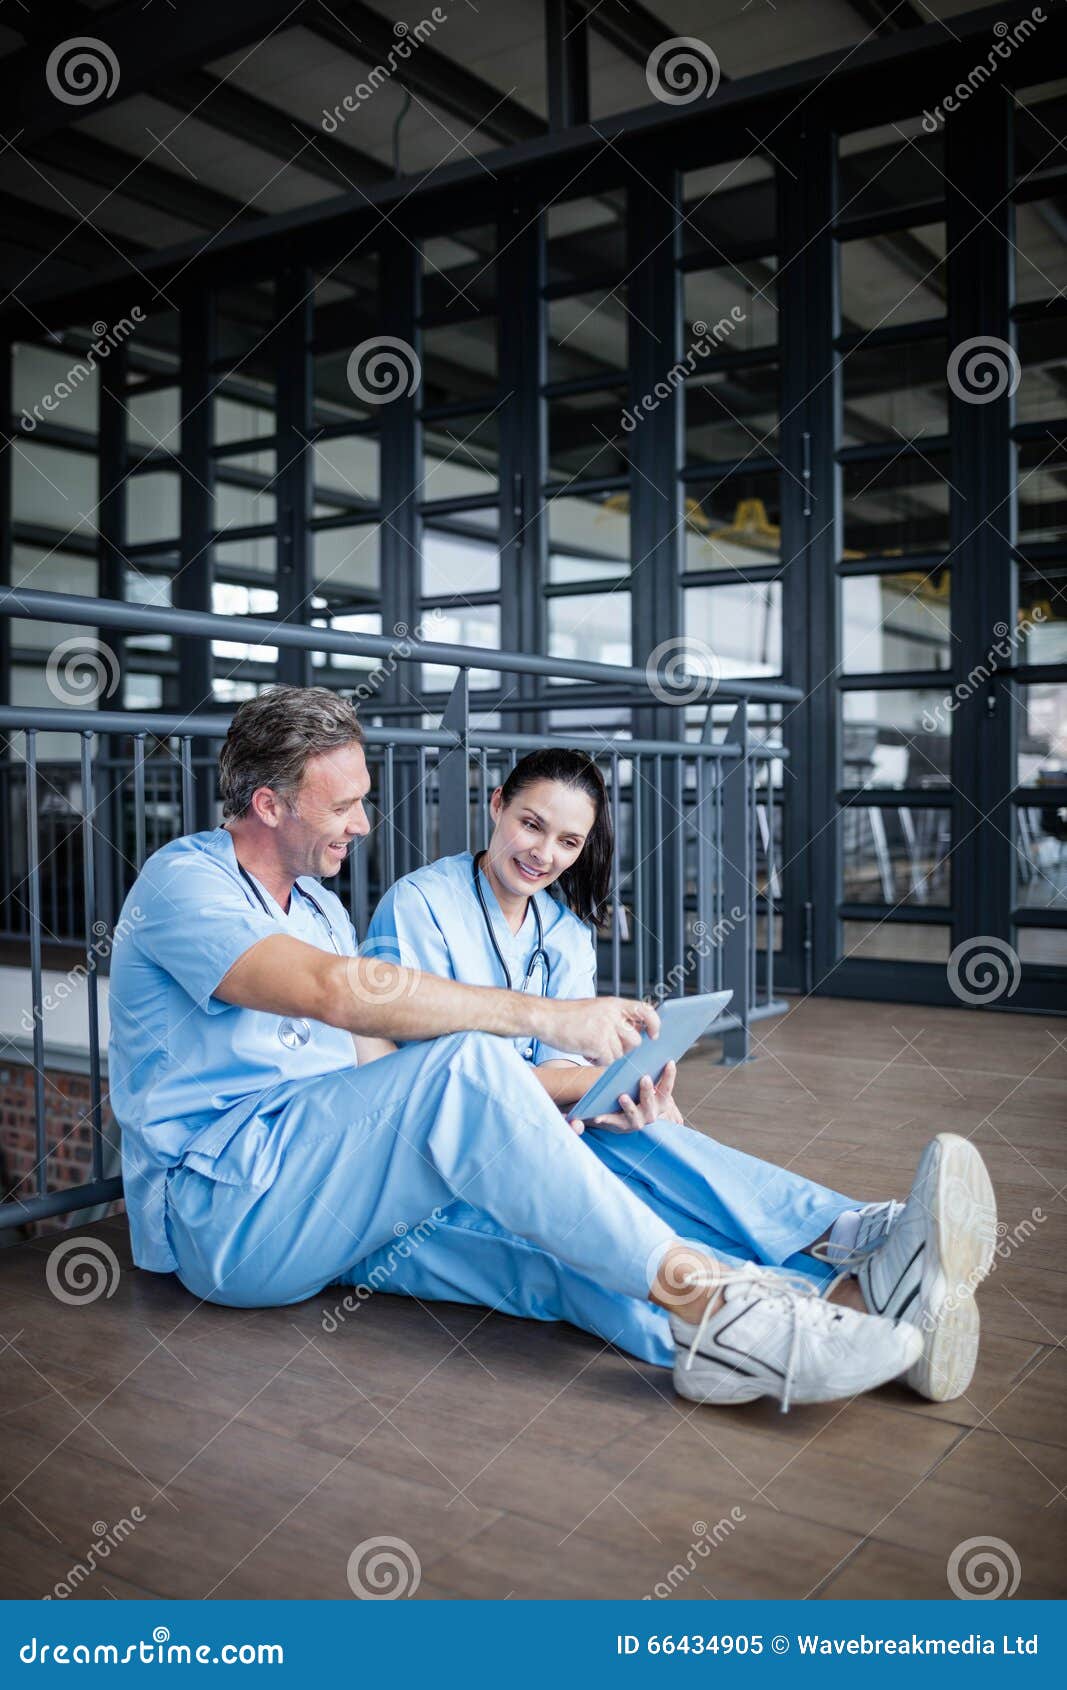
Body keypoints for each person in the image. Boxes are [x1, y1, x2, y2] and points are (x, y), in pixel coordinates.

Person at [105, 688, 973, 1416]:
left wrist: (566, 1102)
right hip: (222, 1207)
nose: (364, 824)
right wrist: (553, 1025)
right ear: (268, 805)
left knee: (557, 1226)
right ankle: (723, 1300)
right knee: (471, 1070)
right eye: (344, 806)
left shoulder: (323, 911)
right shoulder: (187, 882)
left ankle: (818, 1303)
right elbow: (343, 997)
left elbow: (371, 1072)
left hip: (326, 1190)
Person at [356, 747, 997, 1403]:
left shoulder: (562, 927)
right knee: (601, 1231)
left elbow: (555, 1067)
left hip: (533, 1123)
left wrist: (618, 1091)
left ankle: (860, 1248)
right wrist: (591, 1084)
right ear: (495, 806)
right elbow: (433, 1080)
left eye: (568, 840)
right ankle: (839, 1306)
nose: (543, 853)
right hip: (443, 1148)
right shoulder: (421, 904)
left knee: (649, 1135)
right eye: (530, 824)